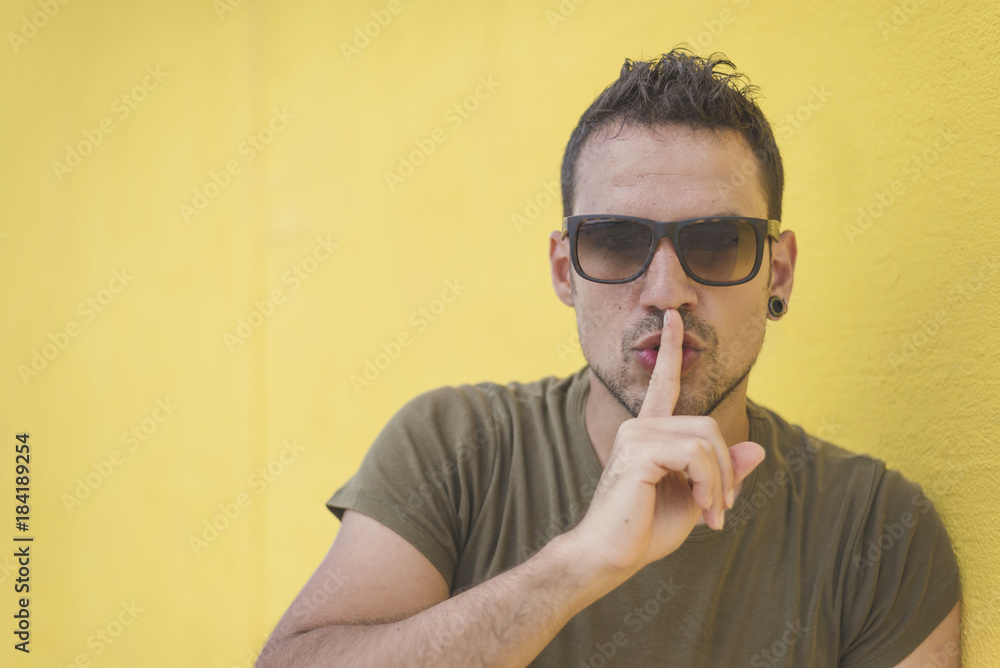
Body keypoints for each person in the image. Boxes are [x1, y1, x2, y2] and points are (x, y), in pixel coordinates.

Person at [255, 50, 961, 667]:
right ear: (565, 271)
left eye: (717, 243)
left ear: (777, 271)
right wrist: (580, 562)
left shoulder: (875, 528)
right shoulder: (456, 446)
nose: (667, 292)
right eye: (617, 242)